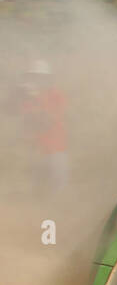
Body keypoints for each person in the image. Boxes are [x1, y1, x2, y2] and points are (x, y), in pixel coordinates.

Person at [19, 59, 68, 194]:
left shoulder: (56, 94)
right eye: (34, 77)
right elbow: (27, 120)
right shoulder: (29, 97)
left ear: (47, 78)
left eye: (40, 77)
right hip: (37, 148)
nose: (37, 80)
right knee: (37, 186)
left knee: (58, 186)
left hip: (56, 148)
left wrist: (35, 103)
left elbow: (51, 118)